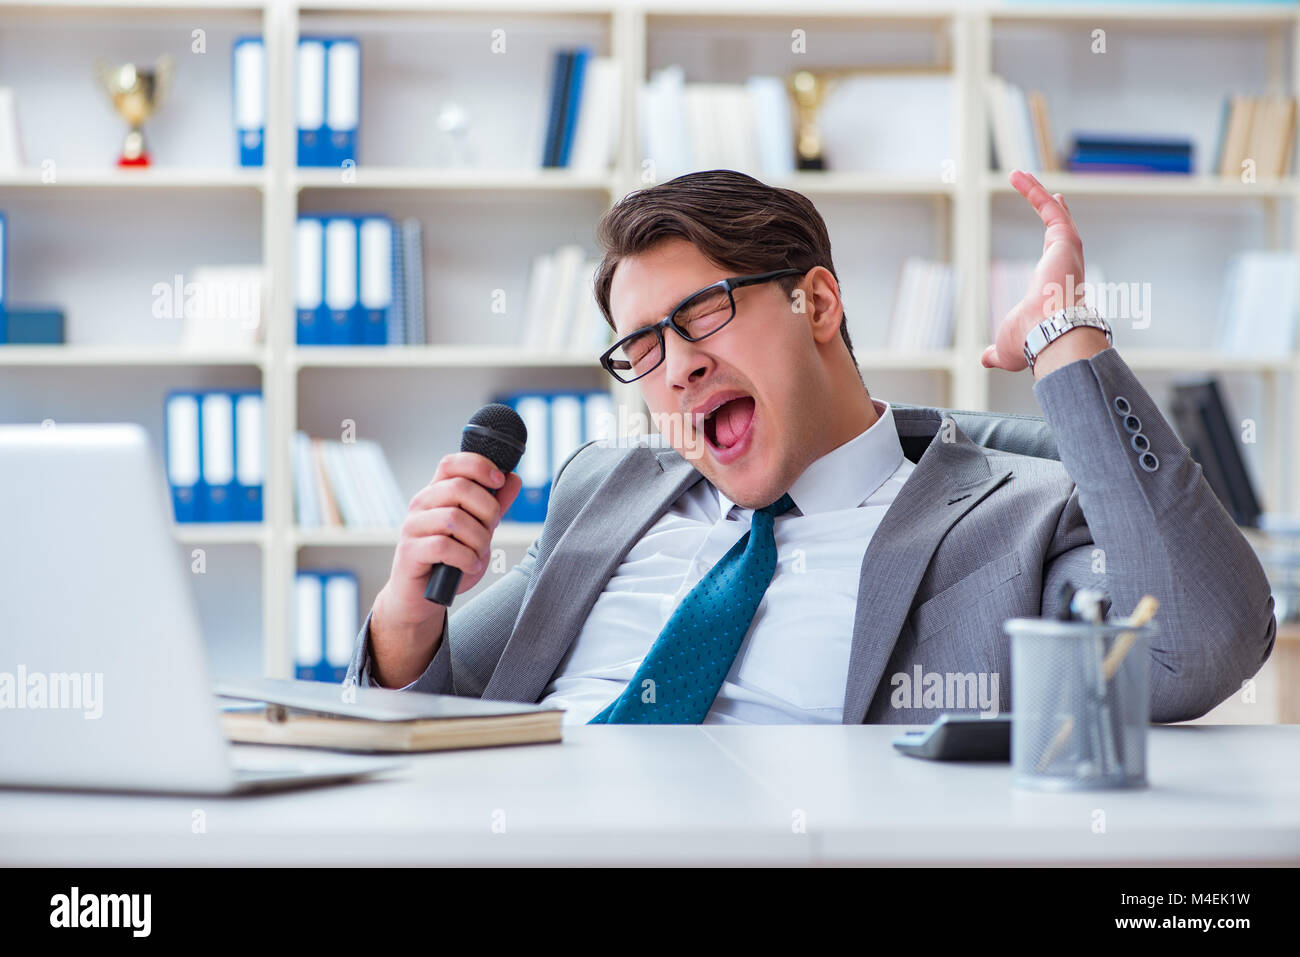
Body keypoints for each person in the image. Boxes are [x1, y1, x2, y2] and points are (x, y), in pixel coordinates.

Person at [345, 168, 1276, 725]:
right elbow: (437, 705)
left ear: (816, 303)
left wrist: (1065, 339)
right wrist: (405, 616)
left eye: (700, 313)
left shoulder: (1020, 513)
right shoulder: (607, 485)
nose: (674, 369)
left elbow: (1199, 643)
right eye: (642, 346)